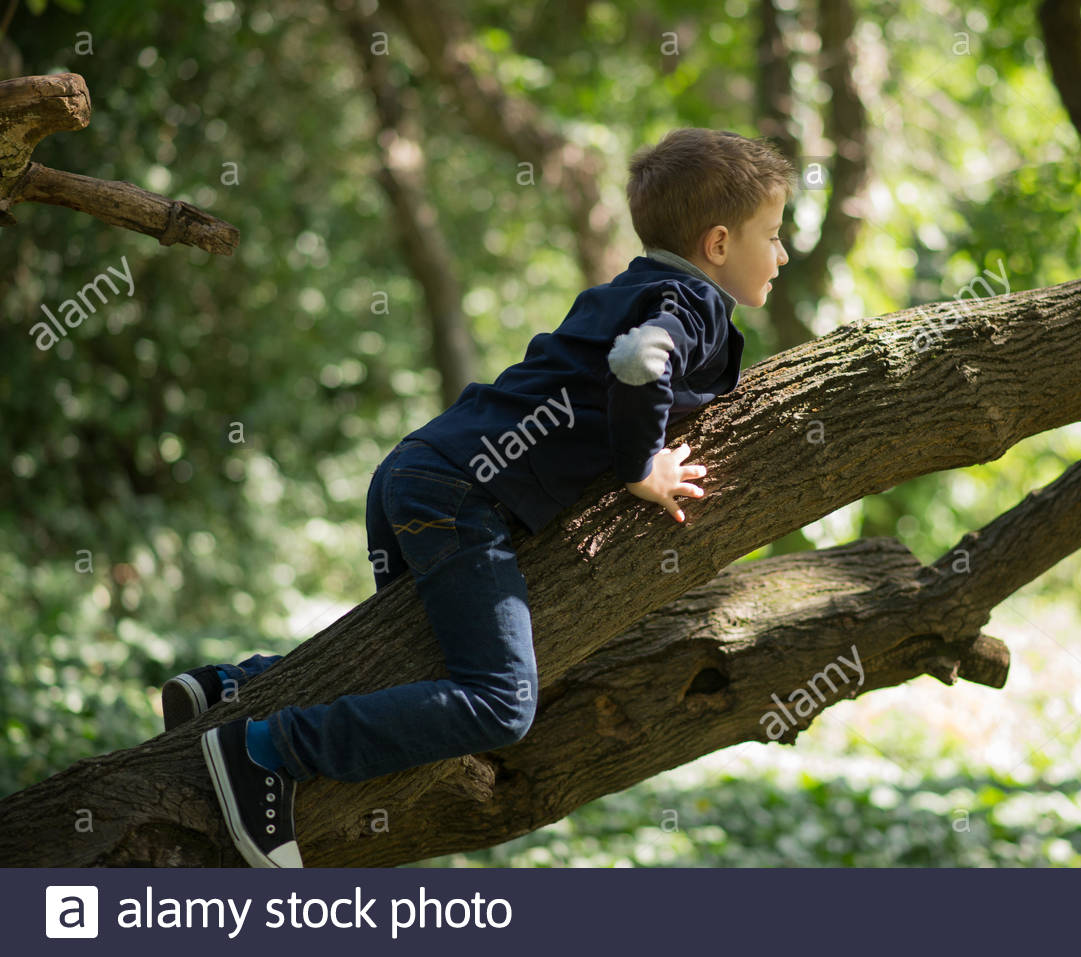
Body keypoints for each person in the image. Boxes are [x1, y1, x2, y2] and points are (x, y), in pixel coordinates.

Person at [161, 127, 795, 867]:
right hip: (464, 494)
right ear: (718, 244)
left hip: (421, 466)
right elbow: (639, 360)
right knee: (500, 701)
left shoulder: (623, 286)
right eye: (773, 237)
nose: (781, 255)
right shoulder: (693, 305)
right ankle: (266, 751)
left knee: (405, 656)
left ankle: (231, 686)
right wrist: (641, 466)